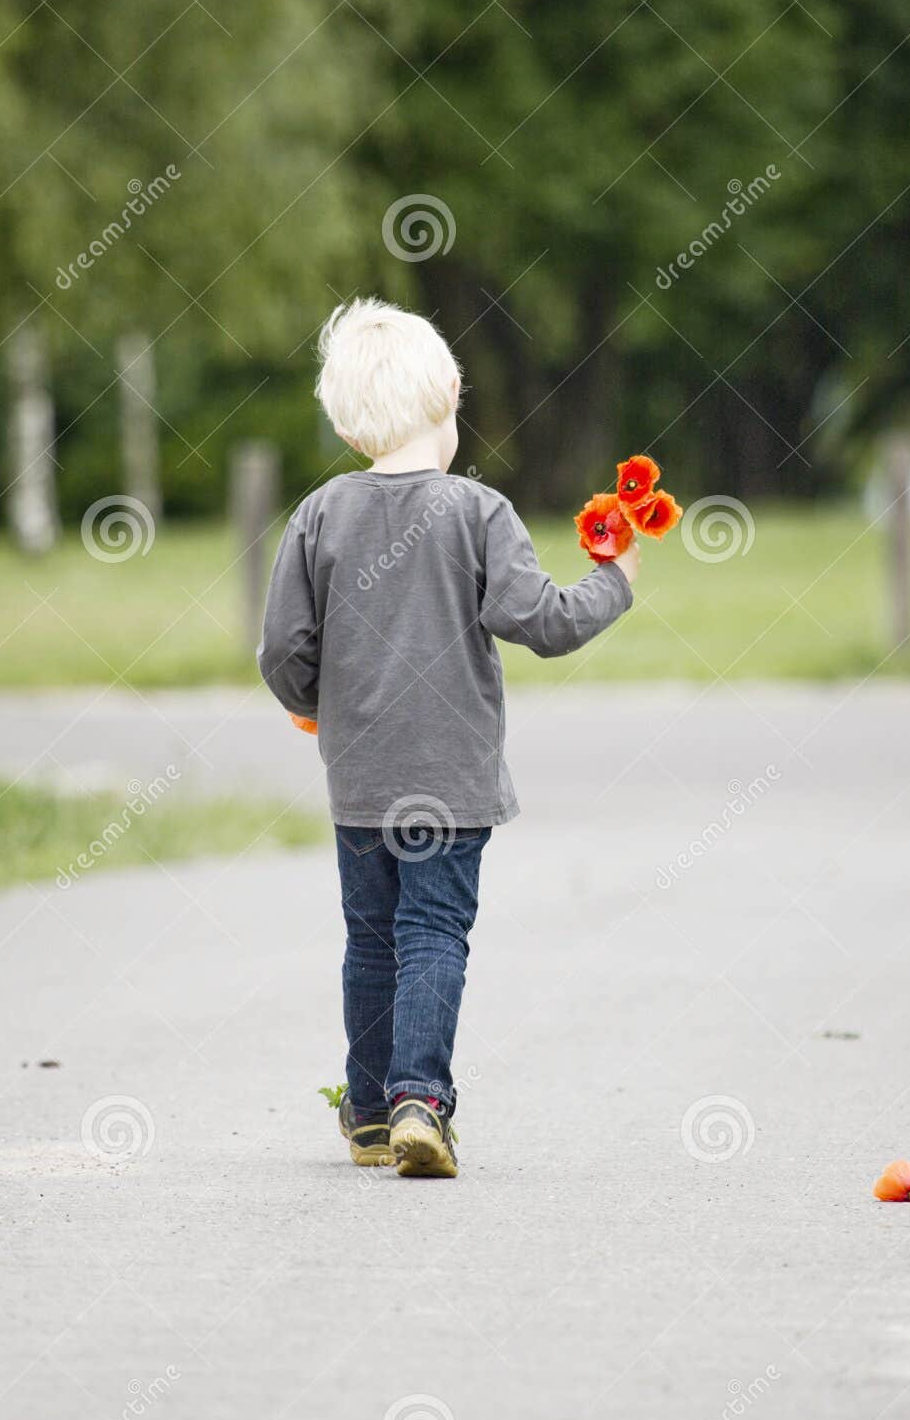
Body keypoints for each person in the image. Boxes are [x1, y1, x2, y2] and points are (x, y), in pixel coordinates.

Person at [258, 298, 638, 1177]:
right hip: (452, 781)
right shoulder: (477, 511)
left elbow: (282, 648)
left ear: (346, 426)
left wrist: (314, 703)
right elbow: (542, 621)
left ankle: (365, 1112)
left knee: (370, 938)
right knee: (432, 932)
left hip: (359, 778)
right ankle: (419, 1102)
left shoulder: (318, 514)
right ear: (450, 396)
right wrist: (614, 579)